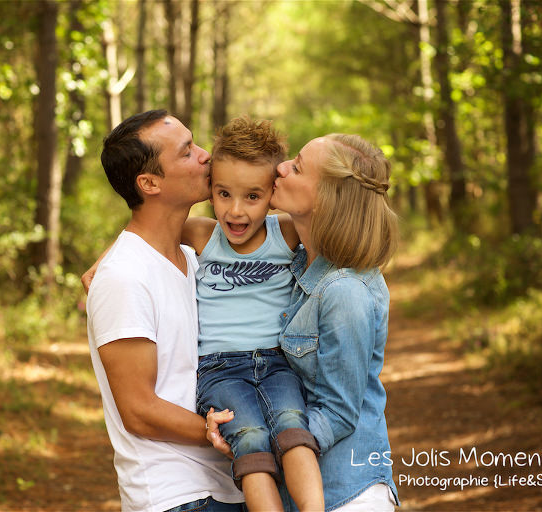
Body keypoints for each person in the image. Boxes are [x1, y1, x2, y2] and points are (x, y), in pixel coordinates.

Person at [212, 133, 401, 511]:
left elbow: (338, 413)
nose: (280, 168)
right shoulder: (299, 264)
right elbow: (203, 233)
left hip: (346, 493)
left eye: (296, 167)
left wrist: (255, 435)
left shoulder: (345, 290)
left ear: (326, 199)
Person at [85, 109, 244, 512]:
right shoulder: (123, 277)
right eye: (187, 151)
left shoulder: (192, 258)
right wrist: (235, 433)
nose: (206, 155)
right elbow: (139, 410)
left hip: (224, 487)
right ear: (150, 182)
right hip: (175, 495)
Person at [179, 116, 324, 512]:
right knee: (250, 437)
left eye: (252, 197)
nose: (235, 211)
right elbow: (142, 234)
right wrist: (100, 264)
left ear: (273, 194)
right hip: (219, 367)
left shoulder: (286, 232)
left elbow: (336, 221)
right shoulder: (200, 233)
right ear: (210, 190)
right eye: (223, 194)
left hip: (278, 363)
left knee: (294, 425)